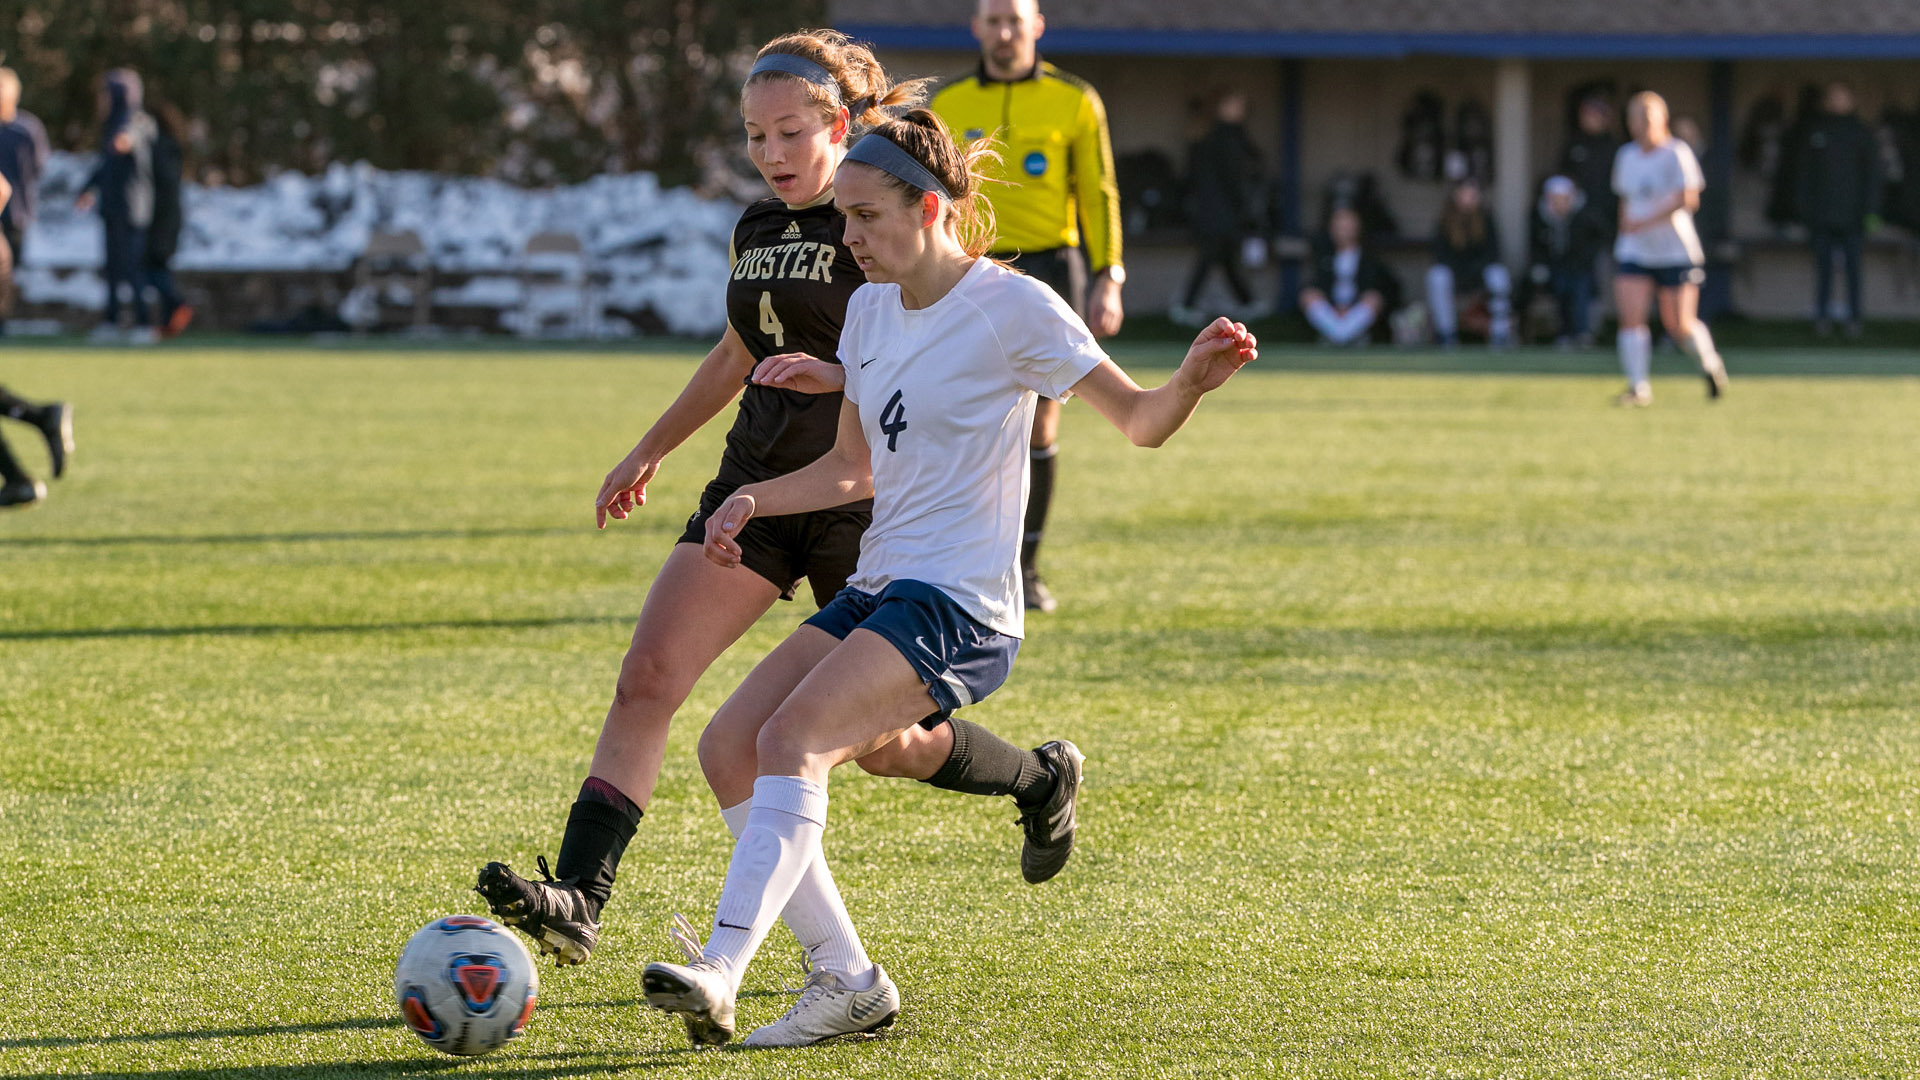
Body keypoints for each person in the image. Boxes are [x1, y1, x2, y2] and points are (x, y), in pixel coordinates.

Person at [639, 108, 1256, 1049]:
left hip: (960, 604)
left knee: (794, 739)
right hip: (882, 587)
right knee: (730, 746)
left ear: (929, 208)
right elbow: (855, 470)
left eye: (867, 218)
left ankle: (722, 970)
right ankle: (849, 981)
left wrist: (1191, 385)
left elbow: (1138, 420)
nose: (850, 239)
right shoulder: (870, 308)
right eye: (843, 218)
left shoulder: (1015, 308)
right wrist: (751, 501)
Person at [474, 31, 1084, 976]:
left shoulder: (879, 225)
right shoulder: (760, 229)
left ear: (843, 129)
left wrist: (842, 373)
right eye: (756, 136)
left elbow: (944, 342)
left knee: (886, 745)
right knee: (649, 677)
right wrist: (650, 449)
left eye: (790, 132)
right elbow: (736, 352)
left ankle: (1038, 778)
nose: (771, 154)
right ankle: (582, 896)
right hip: (754, 489)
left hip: (863, 502)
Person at [930, 0, 1125, 615]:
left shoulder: (1075, 99)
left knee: (1039, 425)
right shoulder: (948, 104)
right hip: (968, 267)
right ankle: (949, 558)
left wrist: (1108, 276)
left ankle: (1027, 565)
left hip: (1048, 269)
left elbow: (1098, 193)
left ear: (1037, 26)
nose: (1005, 31)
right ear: (977, 28)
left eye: (1016, 19)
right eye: (994, 19)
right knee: (955, 416)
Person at [1612, 91, 1728, 407]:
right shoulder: (1626, 156)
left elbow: (1688, 198)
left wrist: (1647, 220)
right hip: (1635, 249)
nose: (1642, 124)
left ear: (1662, 119)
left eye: (1648, 117)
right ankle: (1638, 388)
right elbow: (1625, 200)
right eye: (1637, 117)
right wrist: (1627, 228)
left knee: (1679, 325)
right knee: (1631, 317)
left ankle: (1710, 365)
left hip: (1675, 250)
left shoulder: (1677, 153)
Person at [76, 69, 159, 344]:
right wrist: (89, 188)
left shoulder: (136, 120)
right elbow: (106, 165)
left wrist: (125, 140)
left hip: (132, 209)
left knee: (132, 267)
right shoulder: (111, 123)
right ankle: (111, 321)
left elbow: (128, 139)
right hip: (111, 207)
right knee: (112, 268)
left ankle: (143, 324)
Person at [1172, 89, 1264, 325]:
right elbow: (1232, 178)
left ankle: (1247, 302)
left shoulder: (1230, 135)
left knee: (1225, 258)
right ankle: (1186, 306)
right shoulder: (1218, 137)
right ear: (1220, 108)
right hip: (1217, 212)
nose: (1239, 111)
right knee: (1211, 256)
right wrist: (1244, 209)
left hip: (1217, 212)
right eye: (1234, 105)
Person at [1796, 81, 1880, 338]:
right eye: (1833, 97)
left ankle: (1854, 319)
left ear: (1851, 101)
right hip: (1821, 215)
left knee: (1854, 269)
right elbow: (1804, 174)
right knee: (1823, 270)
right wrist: (1804, 209)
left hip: (1853, 216)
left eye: (1842, 97)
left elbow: (1873, 175)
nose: (1837, 102)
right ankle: (1822, 318)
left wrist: (1871, 210)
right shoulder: (1815, 131)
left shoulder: (1862, 133)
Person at [1425, 177, 1512, 348]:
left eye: (1472, 195)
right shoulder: (1444, 221)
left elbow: (1493, 253)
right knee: (1437, 276)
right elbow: (1440, 255)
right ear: (1456, 196)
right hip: (1455, 274)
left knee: (1498, 274)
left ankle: (1500, 333)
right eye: (1464, 194)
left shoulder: (1486, 220)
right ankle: (1446, 334)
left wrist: (1474, 271)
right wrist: (1461, 272)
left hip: (1479, 274)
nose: (1468, 198)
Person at [1527, 176, 1609, 348]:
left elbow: (1597, 240)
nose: (1559, 204)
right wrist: (1540, 266)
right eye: (1554, 199)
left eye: (1562, 199)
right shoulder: (1540, 216)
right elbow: (1536, 246)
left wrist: (1588, 260)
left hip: (1582, 267)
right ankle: (1564, 333)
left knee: (1581, 295)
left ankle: (1582, 333)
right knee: (1560, 295)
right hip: (1557, 267)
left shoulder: (1586, 215)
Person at [0, 68, 50, 336]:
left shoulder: (27, 129)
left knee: (9, 271)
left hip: (16, 211)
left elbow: (40, 166)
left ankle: (4, 320)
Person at [1300, 205, 1395, 346]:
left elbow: (1374, 285)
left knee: (1373, 299)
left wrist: (1350, 306)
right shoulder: (1324, 255)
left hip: (1355, 307)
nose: (1343, 231)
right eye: (1339, 227)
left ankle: (1340, 337)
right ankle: (1340, 335)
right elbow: (1318, 284)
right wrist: (1334, 306)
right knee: (1308, 296)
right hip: (1331, 309)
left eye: (1347, 226)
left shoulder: (1368, 256)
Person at [144, 92, 193, 338]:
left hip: (161, 216)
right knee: (158, 265)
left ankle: (176, 305)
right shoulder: (171, 144)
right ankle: (168, 320)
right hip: (169, 214)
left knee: (152, 266)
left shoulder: (160, 146)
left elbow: (163, 183)